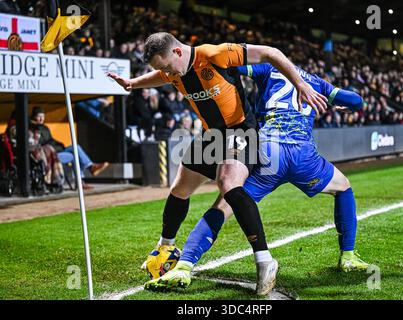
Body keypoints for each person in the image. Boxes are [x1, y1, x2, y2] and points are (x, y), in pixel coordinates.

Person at [108, 32, 328, 295]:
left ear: (178, 52)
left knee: (227, 181)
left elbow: (271, 52)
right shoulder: (171, 69)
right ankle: (166, 246)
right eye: (162, 69)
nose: (167, 74)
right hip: (212, 135)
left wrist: (300, 84)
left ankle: (265, 260)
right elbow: (160, 76)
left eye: (166, 66)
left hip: (241, 131)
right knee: (180, 187)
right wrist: (134, 83)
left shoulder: (215, 54)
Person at [148, 63, 369, 290]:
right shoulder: (317, 83)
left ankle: (184, 266)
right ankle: (348, 256)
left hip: (268, 153)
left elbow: (229, 67)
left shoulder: (269, 67)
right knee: (343, 187)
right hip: (303, 156)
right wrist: (337, 103)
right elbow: (356, 101)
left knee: (226, 204)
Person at [29, 107, 109, 190]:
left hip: (58, 149)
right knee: (74, 156)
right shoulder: (33, 129)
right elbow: (42, 143)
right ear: (34, 117)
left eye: (43, 116)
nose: (41, 118)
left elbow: (51, 140)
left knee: (76, 147)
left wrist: (60, 145)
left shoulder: (45, 128)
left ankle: (90, 167)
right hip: (50, 155)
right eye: (39, 116)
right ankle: (83, 179)